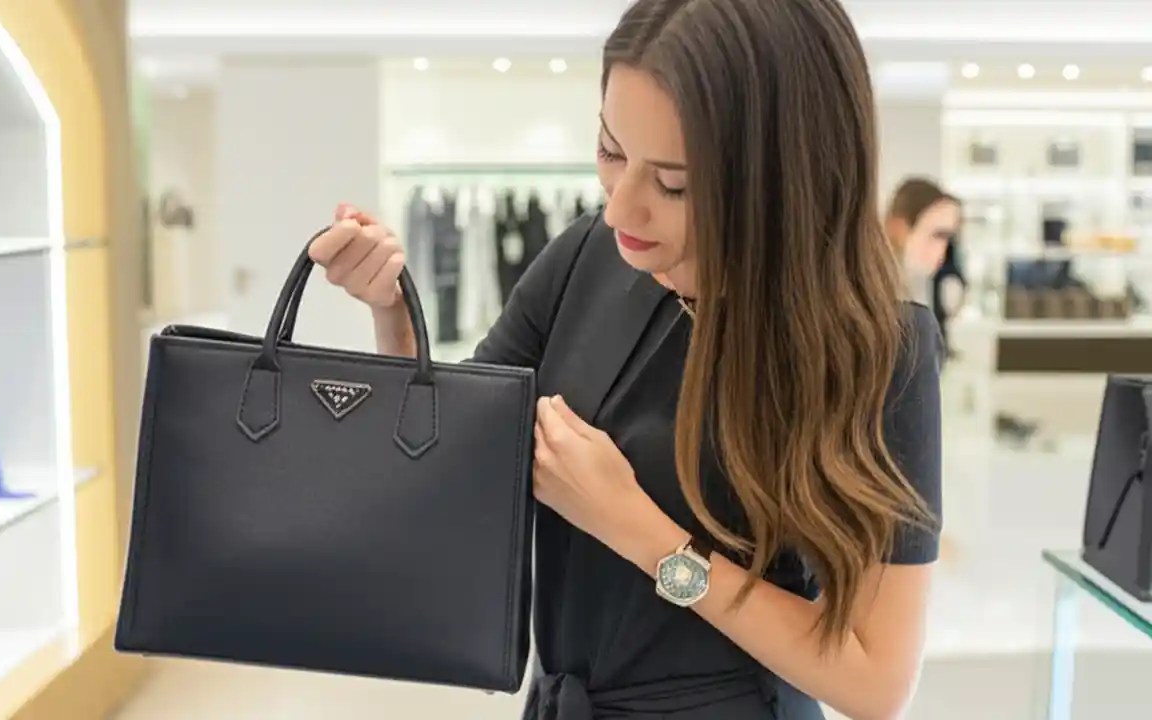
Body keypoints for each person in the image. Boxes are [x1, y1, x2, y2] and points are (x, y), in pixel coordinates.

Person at [309, 1, 941, 718]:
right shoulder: (587, 255)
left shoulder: (878, 351)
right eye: (611, 151)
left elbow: (875, 681)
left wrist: (641, 533)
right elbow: (457, 458)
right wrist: (392, 310)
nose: (621, 210)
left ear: (777, 180)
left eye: (672, 184)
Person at [885, 178, 966, 339]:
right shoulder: (869, 294)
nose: (942, 251)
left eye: (948, 239)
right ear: (898, 228)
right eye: (938, 235)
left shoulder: (924, 288)